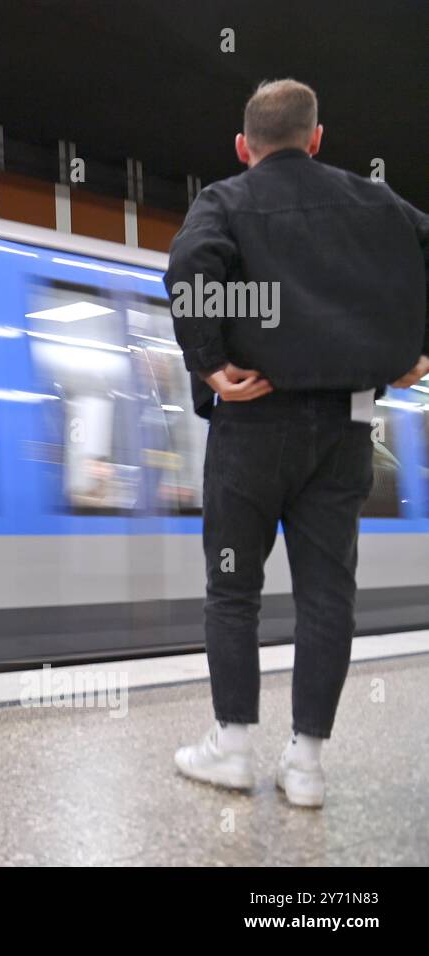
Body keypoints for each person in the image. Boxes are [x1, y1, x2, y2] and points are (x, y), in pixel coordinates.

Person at [165, 79, 429, 807]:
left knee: (232, 590)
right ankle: (307, 764)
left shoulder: (224, 200)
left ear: (244, 147)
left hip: (254, 426)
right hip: (345, 431)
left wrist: (212, 361)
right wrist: (417, 351)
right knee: (326, 596)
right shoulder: (377, 205)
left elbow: (191, 271)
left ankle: (233, 749)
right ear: (317, 138)